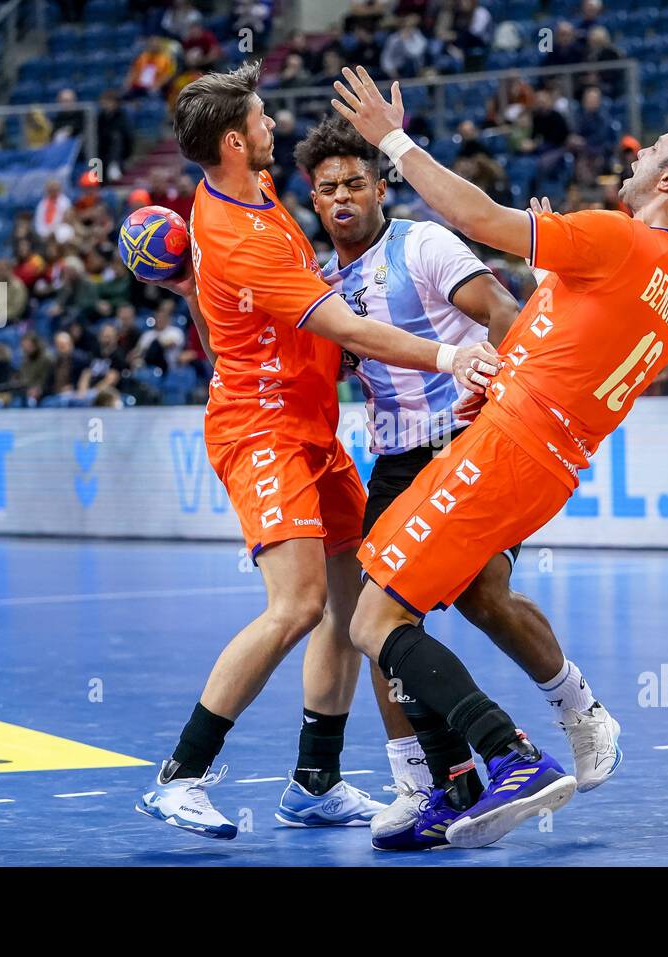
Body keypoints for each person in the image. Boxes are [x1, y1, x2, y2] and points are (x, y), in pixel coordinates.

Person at [332, 67, 668, 847]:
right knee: (465, 595)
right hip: (540, 454)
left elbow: (475, 214)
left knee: (376, 613)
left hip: (510, 449)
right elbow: (580, 345)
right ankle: (471, 778)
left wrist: (390, 137)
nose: (632, 154)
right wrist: (509, 364)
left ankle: (510, 760)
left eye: (648, 150)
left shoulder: (621, 237)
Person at [134, 63, 500, 840]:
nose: (274, 127)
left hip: (312, 429)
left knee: (353, 604)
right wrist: (448, 358)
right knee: (298, 604)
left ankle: (315, 778)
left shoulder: (248, 192)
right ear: (235, 141)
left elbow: (219, 310)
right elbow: (347, 329)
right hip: (262, 431)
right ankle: (182, 774)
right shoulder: (238, 235)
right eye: (262, 119)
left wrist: (191, 295)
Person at [294, 115, 621, 850]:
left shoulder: (424, 243)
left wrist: (516, 399)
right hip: (396, 458)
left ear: (382, 186)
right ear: (314, 201)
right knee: (379, 624)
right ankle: (431, 785)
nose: (342, 195)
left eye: (354, 182)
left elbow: (504, 314)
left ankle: (579, 710)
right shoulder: (325, 282)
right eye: (327, 188)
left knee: (480, 597)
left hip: (471, 442)